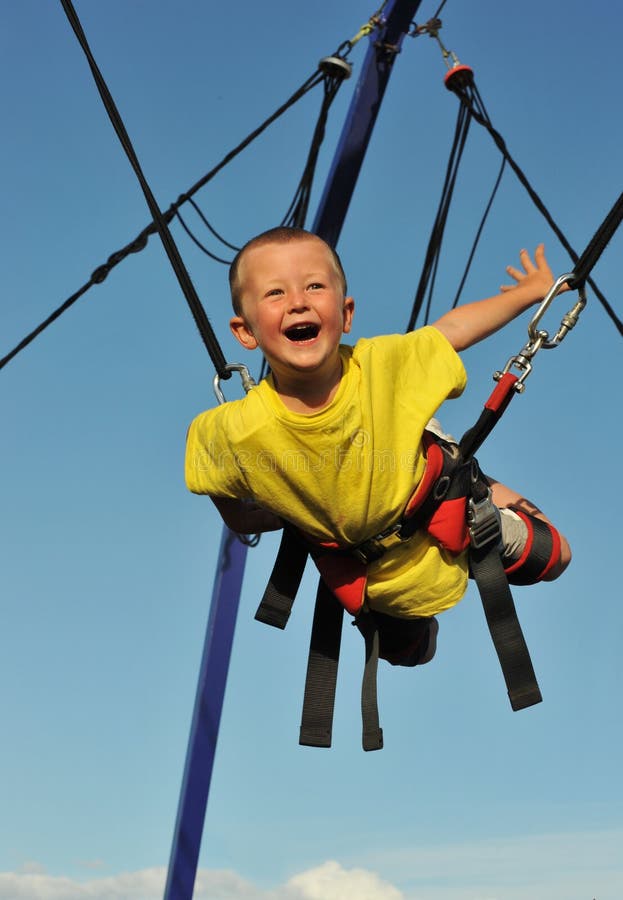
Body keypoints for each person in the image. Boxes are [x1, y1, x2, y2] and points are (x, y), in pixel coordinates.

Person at [185, 226, 571, 663]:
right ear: (245, 331)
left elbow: (453, 330)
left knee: (556, 555)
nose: (298, 300)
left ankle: (482, 500)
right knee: (410, 653)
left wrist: (531, 293)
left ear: (346, 314)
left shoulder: (385, 363)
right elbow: (239, 514)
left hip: (441, 504)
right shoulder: (231, 433)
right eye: (276, 292)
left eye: (314, 285)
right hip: (385, 578)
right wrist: (297, 509)